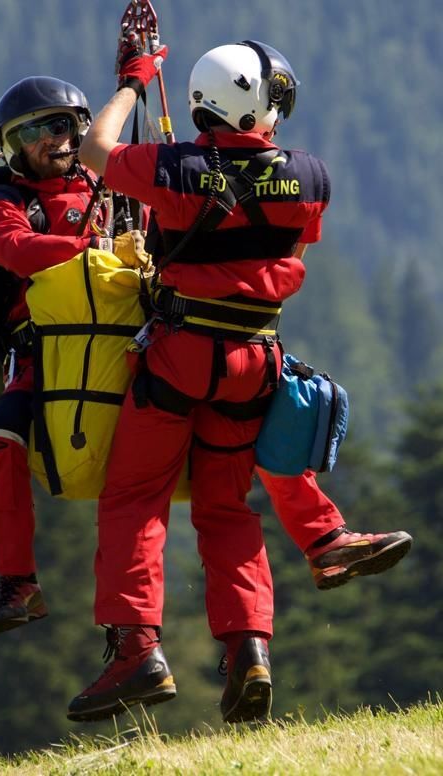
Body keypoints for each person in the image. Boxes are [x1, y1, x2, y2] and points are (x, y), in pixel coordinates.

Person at [68, 38, 412, 723]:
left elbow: (94, 151)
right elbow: (290, 250)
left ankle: (137, 649)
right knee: (227, 510)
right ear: (255, 101)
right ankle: (249, 649)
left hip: (179, 353)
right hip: (255, 360)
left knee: (136, 498)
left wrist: (135, 83)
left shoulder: (172, 167)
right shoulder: (311, 177)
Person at [0, 75, 149, 634]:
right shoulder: (6, 200)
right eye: (32, 133)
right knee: (0, 442)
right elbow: (14, 249)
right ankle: (16, 581)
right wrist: (90, 249)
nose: (50, 140)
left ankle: (135, 626)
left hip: (118, 352)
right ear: (13, 147)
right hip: (42, 359)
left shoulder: (112, 187)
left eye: (59, 125)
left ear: (78, 129)